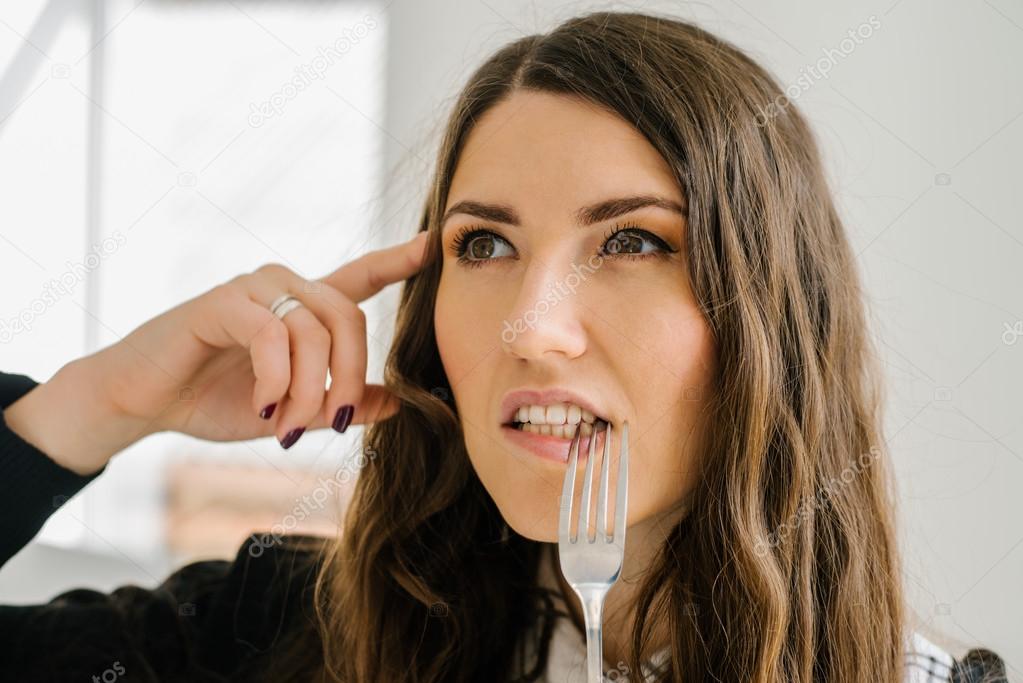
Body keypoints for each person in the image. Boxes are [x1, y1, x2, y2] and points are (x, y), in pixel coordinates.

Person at [0, 9, 1010, 683]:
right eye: (484, 245)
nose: (530, 326)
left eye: (631, 241)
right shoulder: (289, 627)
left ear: (771, 320)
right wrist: (88, 409)